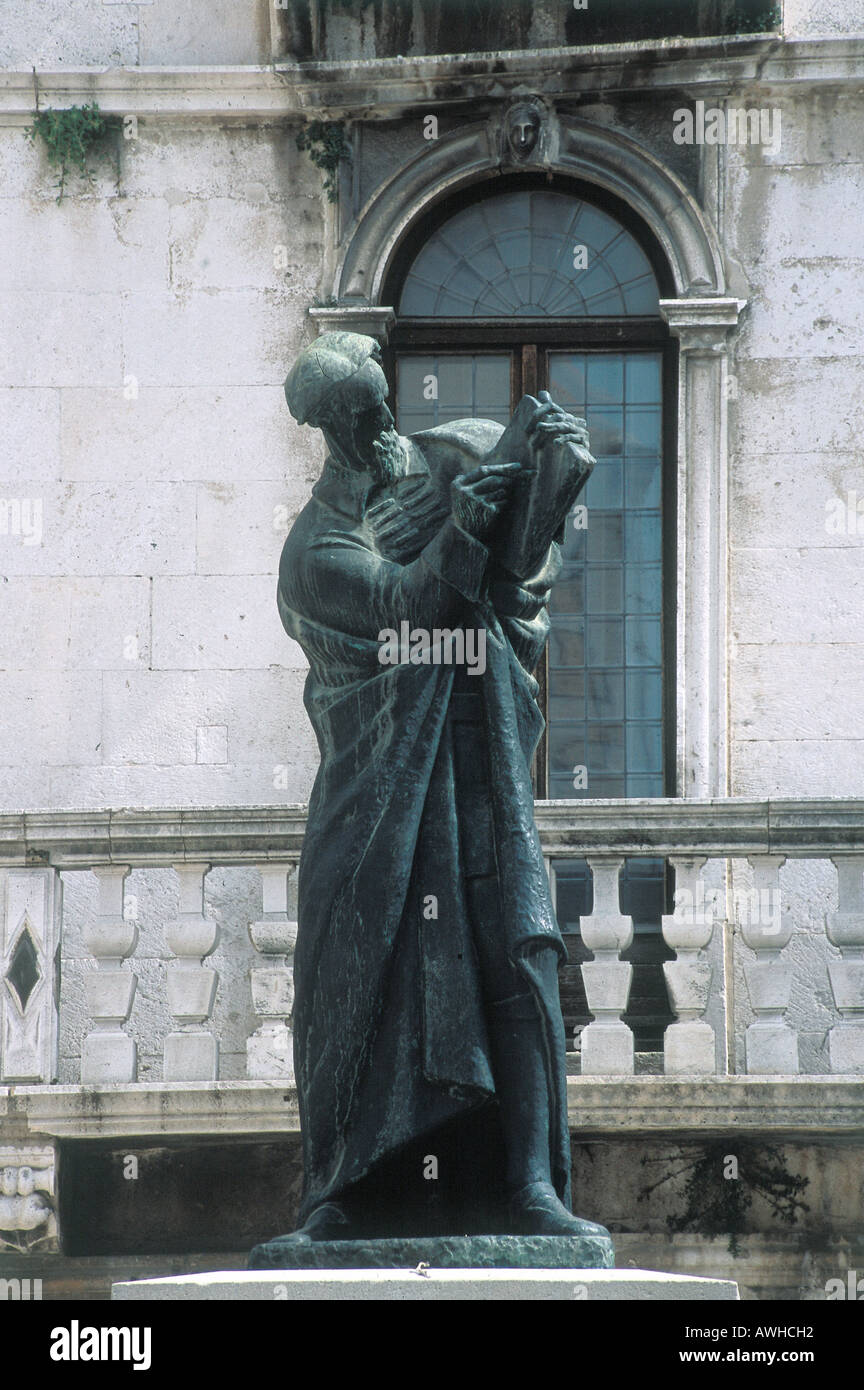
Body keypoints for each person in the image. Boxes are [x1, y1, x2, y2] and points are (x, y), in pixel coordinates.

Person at [276, 331, 608, 1244]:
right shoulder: (318, 549)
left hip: (482, 753)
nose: (379, 420)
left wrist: (544, 482)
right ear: (324, 429)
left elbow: (517, 589)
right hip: (381, 789)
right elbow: (408, 611)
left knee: (516, 952)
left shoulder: (448, 452)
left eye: (381, 398)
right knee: (368, 964)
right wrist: (464, 528)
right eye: (356, 414)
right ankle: (340, 1185)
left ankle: (530, 1183)